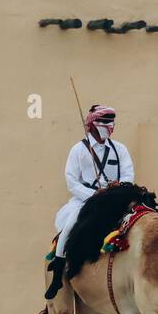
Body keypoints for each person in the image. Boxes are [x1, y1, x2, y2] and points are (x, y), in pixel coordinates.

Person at [45, 105, 135, 300]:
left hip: (115, 200)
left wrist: (119, 186)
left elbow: (128, 175)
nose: (108, 126)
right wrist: (93, 194)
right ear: (92, 124)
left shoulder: (120, 149)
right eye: (103, 121)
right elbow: (72, 181)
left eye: (110, 121)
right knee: (70, 226)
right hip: (85, 198)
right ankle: (58, 274)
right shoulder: (78, 150)